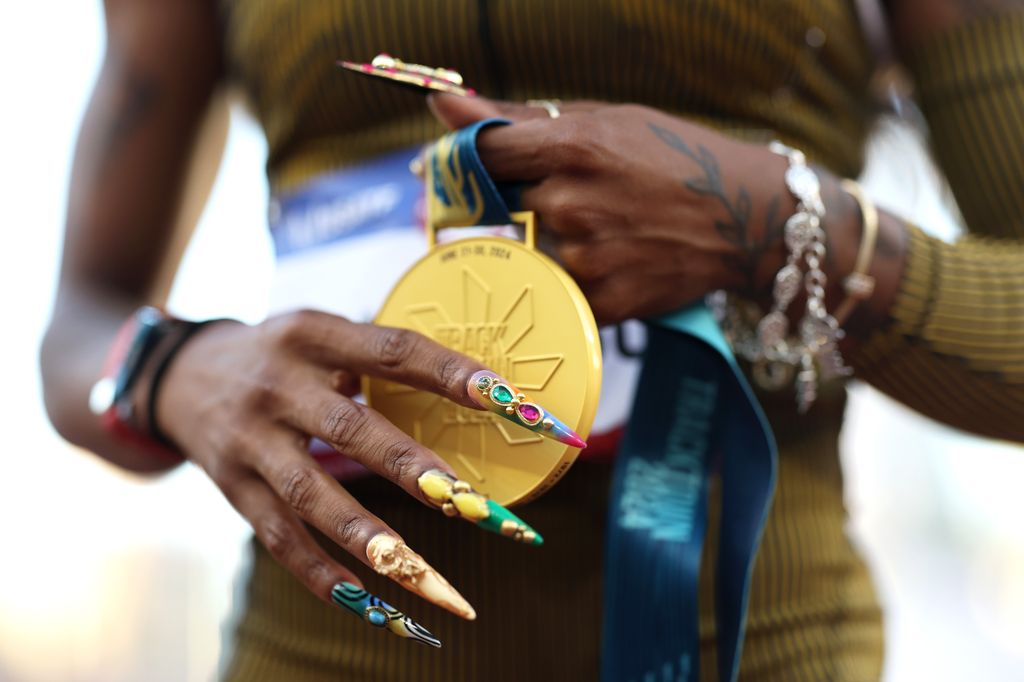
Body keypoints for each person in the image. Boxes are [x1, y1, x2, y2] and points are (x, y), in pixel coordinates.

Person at [40, 0, 1024, 680]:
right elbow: (78, 324)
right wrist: (172, 369)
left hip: (754, 641)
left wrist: (774, 222)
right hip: (326, 637)